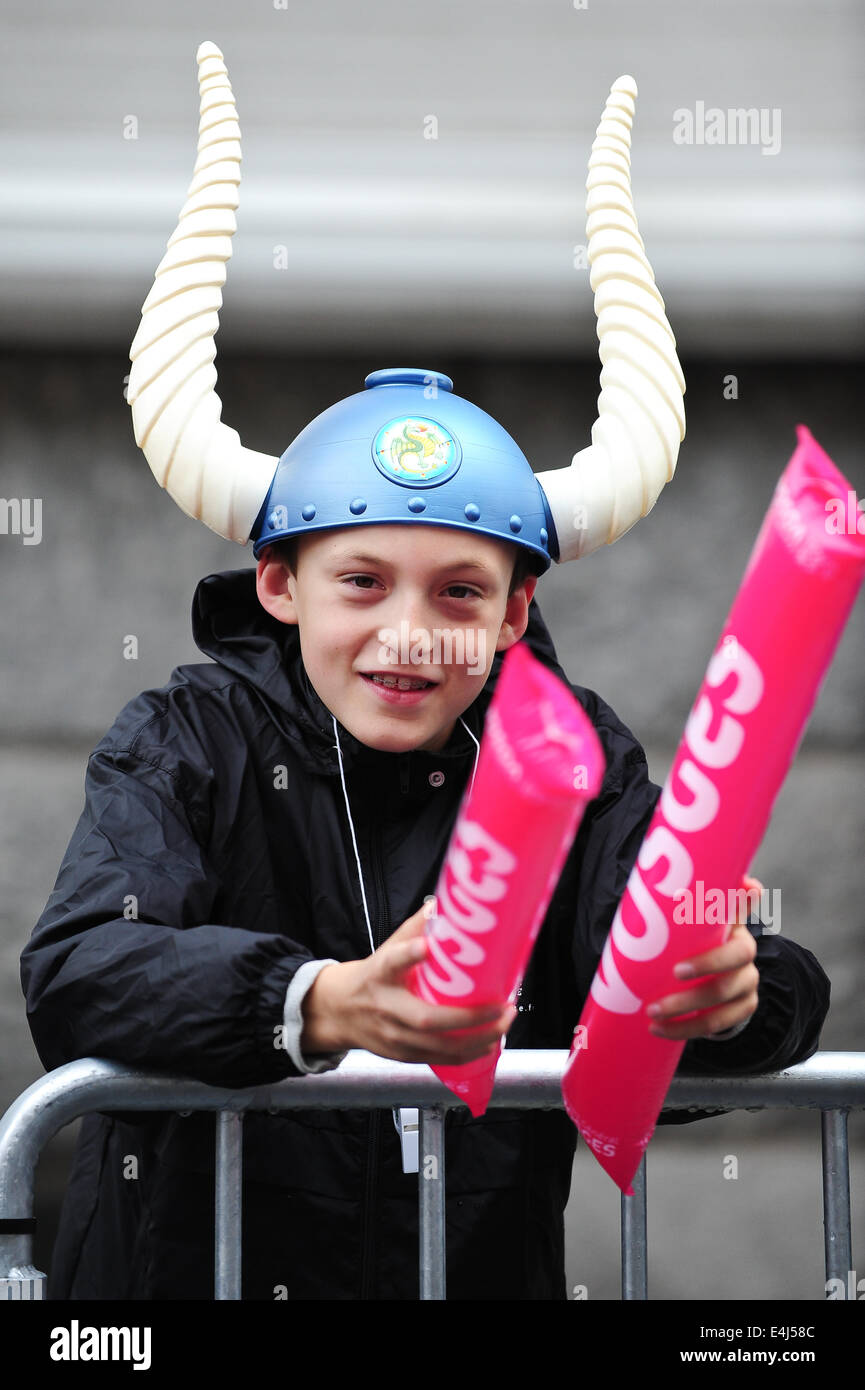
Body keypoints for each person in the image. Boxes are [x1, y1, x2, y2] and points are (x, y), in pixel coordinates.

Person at [20, 44, 830, 1300]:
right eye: (360, 583)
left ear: (516, 613)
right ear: (279, 587)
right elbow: (81, 973)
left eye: (459, 591)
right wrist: (321, 1002)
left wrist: (733, 992)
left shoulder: (584, 756)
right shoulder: (184, 736)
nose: (411, 631)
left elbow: (708, 965)